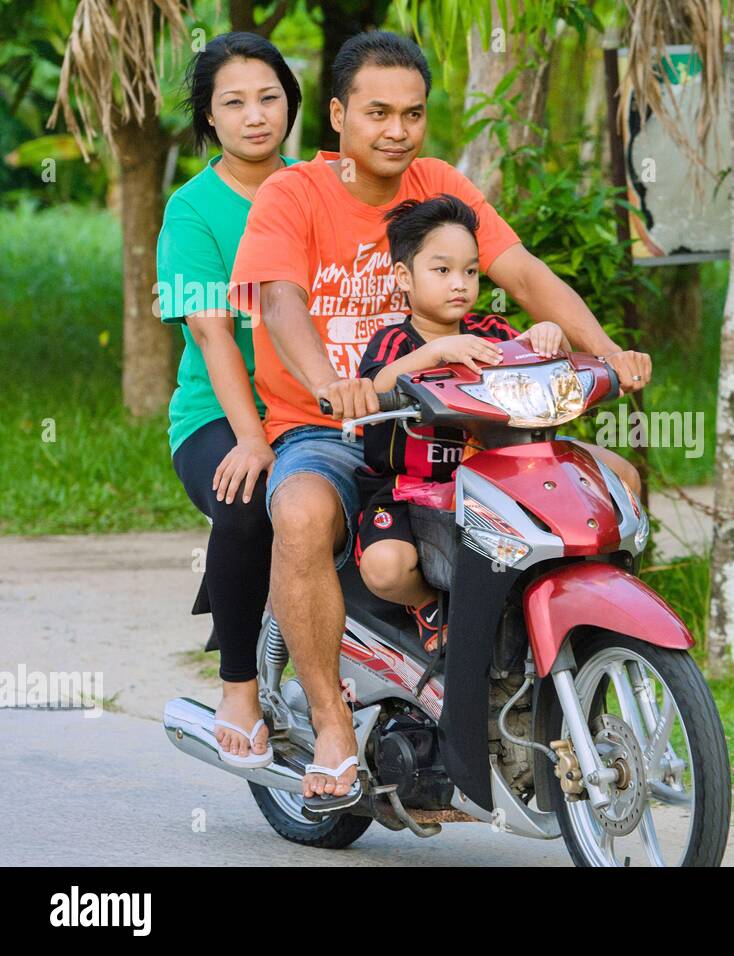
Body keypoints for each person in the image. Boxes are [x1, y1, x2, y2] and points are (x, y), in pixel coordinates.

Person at [227, 30, 651, 807]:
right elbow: (280, 298)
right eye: (378, 112)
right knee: (300, 514)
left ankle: (547, 683)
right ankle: (330, 727)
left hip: (461, 427)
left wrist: (609, 350)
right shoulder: (294, 194)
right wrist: (332, 385)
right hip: (339, 427)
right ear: (338, 115)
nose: (397, 130)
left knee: (610, 481)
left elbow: (521, 272)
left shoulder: (437, 184)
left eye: (413, 113)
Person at [352, 195, 642, 649]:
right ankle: (430, 606)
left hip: (504, 478)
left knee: (618, 476)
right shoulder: (395, 340)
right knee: (385, 567)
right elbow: (372, 390)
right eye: (442, 270)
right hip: (412, 487)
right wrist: (434, 354)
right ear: (403, 277)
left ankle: (587, 595)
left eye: (470, 271)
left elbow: (530, 358)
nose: (459, 284)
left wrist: (548, 336)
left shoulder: (491, 331)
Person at [157, 32, 302, 767]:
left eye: (269, 97)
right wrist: (251, 439)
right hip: (218, 413)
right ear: (209, 120)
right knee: (249, 498)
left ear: (292, 102)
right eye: (234, 103)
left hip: (315, 402)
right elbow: (213, 335)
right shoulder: (193, 209)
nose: (255, 116)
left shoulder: (320, 187)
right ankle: (239, 684)